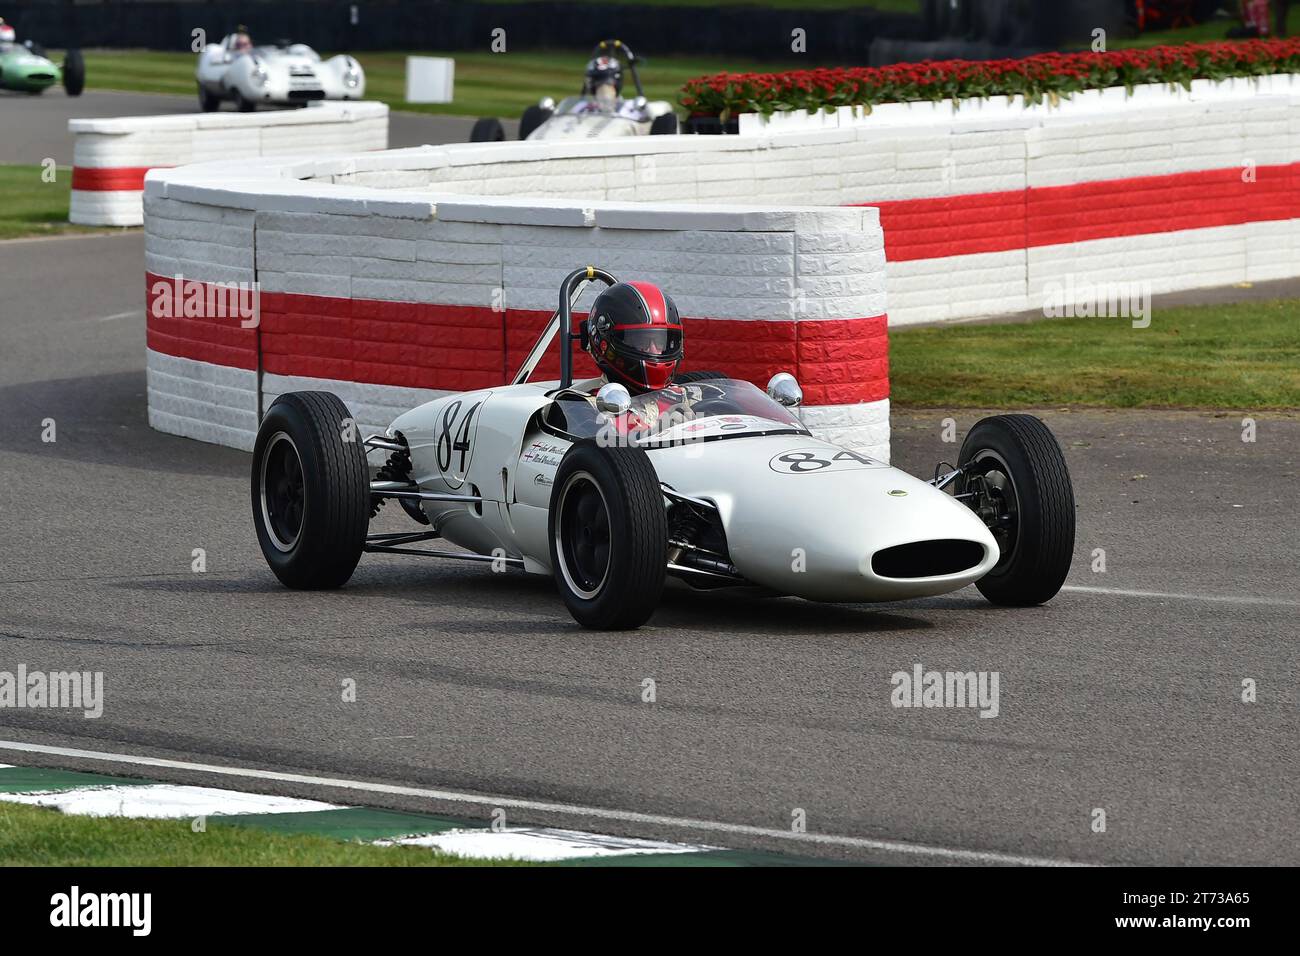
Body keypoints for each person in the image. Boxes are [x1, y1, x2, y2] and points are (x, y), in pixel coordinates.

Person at [580, 280, 683, 395]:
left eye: (660, 342)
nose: (654, 351)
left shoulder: (682, 396)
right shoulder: (582, 407)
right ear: (603, 342)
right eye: (642, 342)